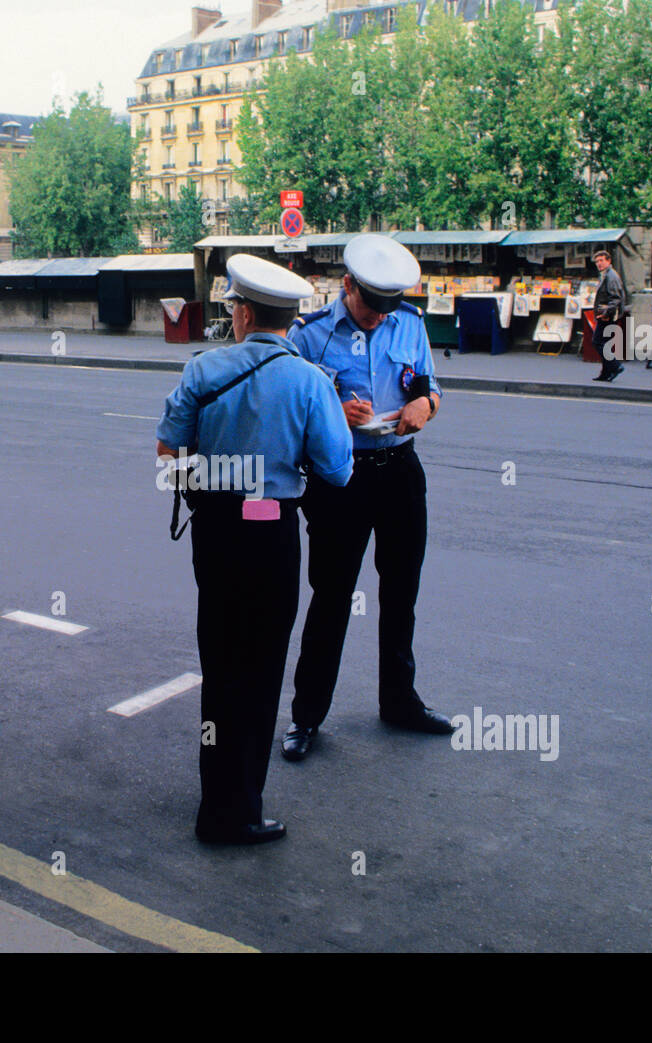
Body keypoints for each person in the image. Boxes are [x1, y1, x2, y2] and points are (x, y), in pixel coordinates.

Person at [156, 254, 352, 845]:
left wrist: (211, 474)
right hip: (271, 535)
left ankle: (214, 796)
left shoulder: (202, 370)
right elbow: (338, 471)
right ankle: (240, 809)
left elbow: (168, 456)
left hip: (215, 535)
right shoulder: (311, 382)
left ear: (241, 313)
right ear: (290, 321)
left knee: (220, 669)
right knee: (262, 672)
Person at [281, 233, 452, 765]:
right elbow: (287, 405)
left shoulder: (411, 323)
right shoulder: (308, 335)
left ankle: (399, 701)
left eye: (387, 308)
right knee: (331, 599)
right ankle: (306, 716)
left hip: (400, 470)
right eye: (368, 306)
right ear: (346, 285)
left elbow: (429, 386)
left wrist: (426, 404)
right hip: (341, 478)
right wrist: (332, 406)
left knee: (402, 594)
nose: (378, 318)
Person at [590, 249, 627, 382]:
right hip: (606, 314)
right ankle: (605, 373)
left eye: (601, 260)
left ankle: (615, 366)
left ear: (608, 261)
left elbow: (616, 298)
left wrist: (606, 312)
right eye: (597, 261)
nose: (599, 263)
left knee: (597, 342)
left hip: (608, 315)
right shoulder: (606, 275)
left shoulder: (611, 276)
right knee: (603, 343)